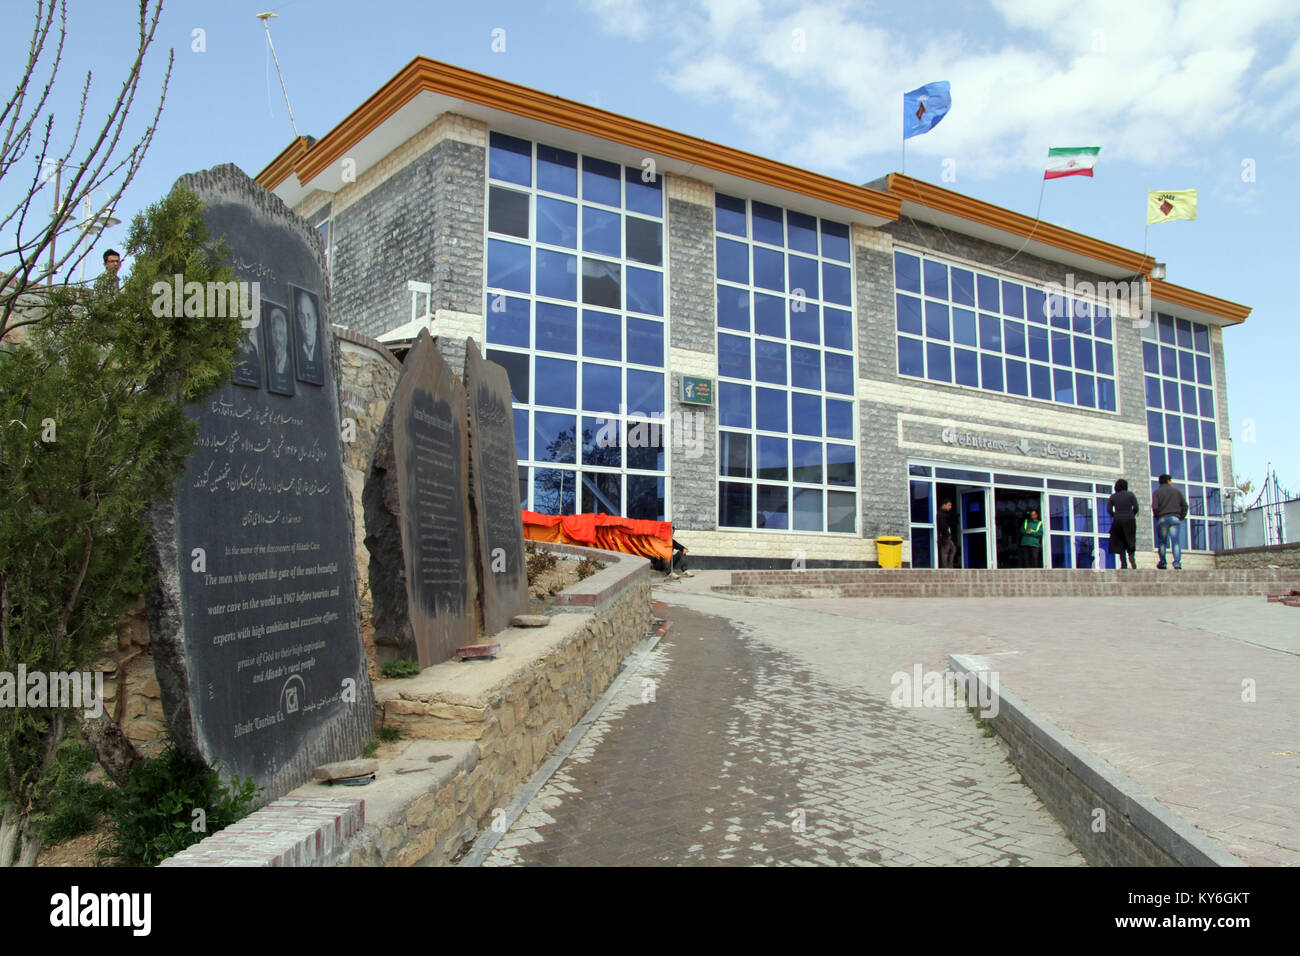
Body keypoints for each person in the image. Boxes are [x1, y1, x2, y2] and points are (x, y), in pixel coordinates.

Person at [1152, 473, 1188, 570]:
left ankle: (1163, 562)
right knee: (1175, 542)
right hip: (1175, 518)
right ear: (1168, 481)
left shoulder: (1157, 493)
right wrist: (1180, 517)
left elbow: (1155, 507)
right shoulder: (1177, 491)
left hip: (1162, 518)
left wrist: (1158, 517)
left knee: (1162, 542)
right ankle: (1177, 563)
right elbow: (1185, 506)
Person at [1107, 478, 1140, 569]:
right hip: (1129, 519)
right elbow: (1136, 507)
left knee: (1120, 542)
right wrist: (1131, 514)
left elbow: (1109, 510)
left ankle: (1124, 564)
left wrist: (1115, 515)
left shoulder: (1113, 497)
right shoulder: (1130, 495)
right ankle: (1132, 555)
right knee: (1130, 538)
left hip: (1118, 520)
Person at [938, 500, 959, 568]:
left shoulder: (945, 514)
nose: (950, 507)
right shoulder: (941, 514)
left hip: (947, 535)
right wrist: (947, 535)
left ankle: (949, 566)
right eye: (949, 505)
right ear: (944, 505)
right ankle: (945, 567)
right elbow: (942, 526)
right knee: (945, 552)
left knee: (953, 549)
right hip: (944, 536)